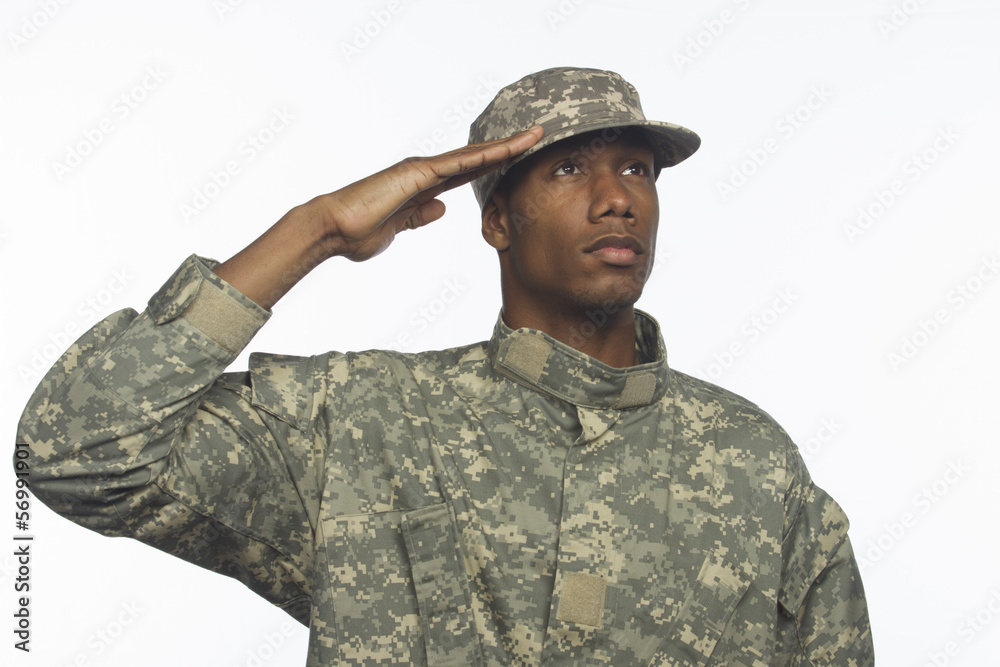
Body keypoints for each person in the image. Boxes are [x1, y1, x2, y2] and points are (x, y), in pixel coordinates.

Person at [17, 67, 874, 665]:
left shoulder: (755, 461)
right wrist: (313, 230)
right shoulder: (359, 418)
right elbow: (81, 452)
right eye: (570, 166)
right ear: (496, 220)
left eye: (637, 169)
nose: (617, 196)